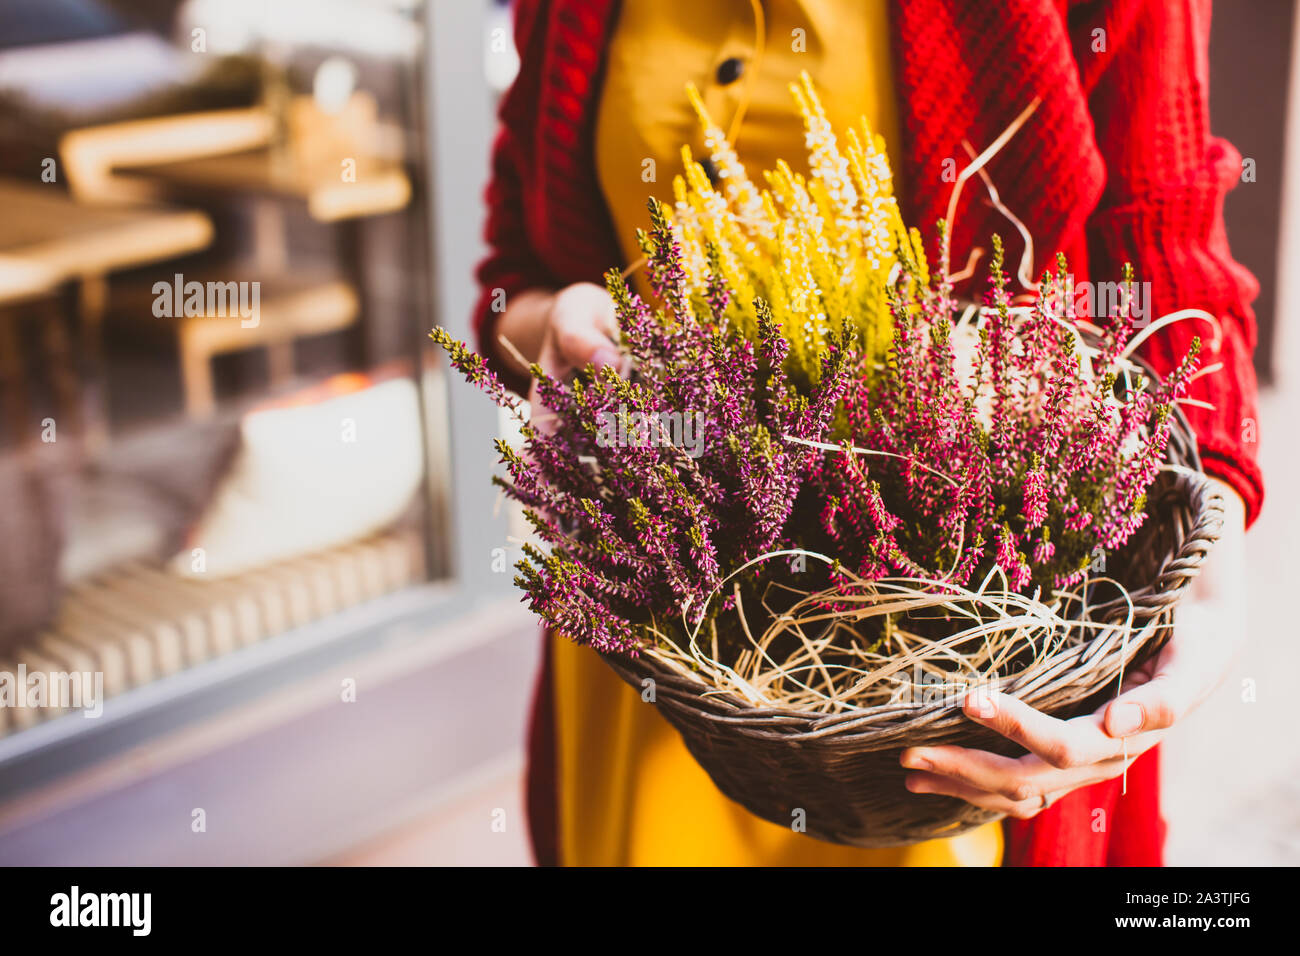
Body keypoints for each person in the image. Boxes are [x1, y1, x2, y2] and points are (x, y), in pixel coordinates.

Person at [472, 0, 1261, 866]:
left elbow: (1165, 252)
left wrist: (1209, 592)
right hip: (662, 625)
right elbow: (518, 280)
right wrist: (561, 327)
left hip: (955, 665)